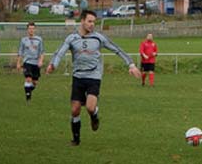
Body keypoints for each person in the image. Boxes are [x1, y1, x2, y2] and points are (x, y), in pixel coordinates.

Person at [47, 10, 141, 146]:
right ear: (82, 21)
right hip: (78, 77)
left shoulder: (98, 38)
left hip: (94, 76)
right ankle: (76, 140)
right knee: (75, 110)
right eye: (89, 21)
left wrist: (131, 64)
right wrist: (53, 64)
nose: (92, 24)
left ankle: (94, 116)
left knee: (90, 107)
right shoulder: (72, 38)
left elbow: (116, 49)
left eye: (94, 22)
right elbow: (60, 52)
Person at [17, 22, 44, 103]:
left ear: (35, 29)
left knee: (35, 82)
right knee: (28, 79)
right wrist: (18, 63)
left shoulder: (39, 39)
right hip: (27, 62)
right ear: (27, 30)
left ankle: (28, 90)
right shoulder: (23, 40)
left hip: (36, 63)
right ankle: (28, 98)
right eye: (30, 28)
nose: (31, 30)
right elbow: (20, 52)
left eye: (32, 28)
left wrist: (41, 61)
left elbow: (42, 52)